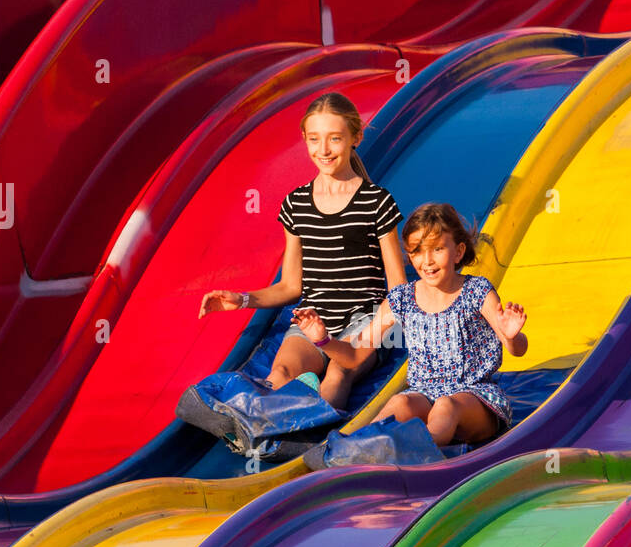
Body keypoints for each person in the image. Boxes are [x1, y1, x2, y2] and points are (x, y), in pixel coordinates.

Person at [198, 92, 408, 409]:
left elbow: (397, 288)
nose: (323, 150)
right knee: (280, 373)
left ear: (356, 137)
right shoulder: (296, 204)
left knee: (339, 372)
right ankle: (272, 426)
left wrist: (375, 333)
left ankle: (310, 437)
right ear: (305, 140)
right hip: (312, 319)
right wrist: (241, 299)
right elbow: (291, 286)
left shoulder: (375, 202)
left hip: (362, 321)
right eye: (314, 139)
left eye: (335, 139)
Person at [293, 202, 527, 446]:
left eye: (437, 249)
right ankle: (356, 449)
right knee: (399, 403)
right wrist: (323, 339)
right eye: (416, 251)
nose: (427, 260)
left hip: (474, 399)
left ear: (458, 251)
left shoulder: (477, 291)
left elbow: (517, 349)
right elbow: (353, 356)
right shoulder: (402, 299)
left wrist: (510, 336)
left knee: (447, 406)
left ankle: (421, 452)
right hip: (424, 395)